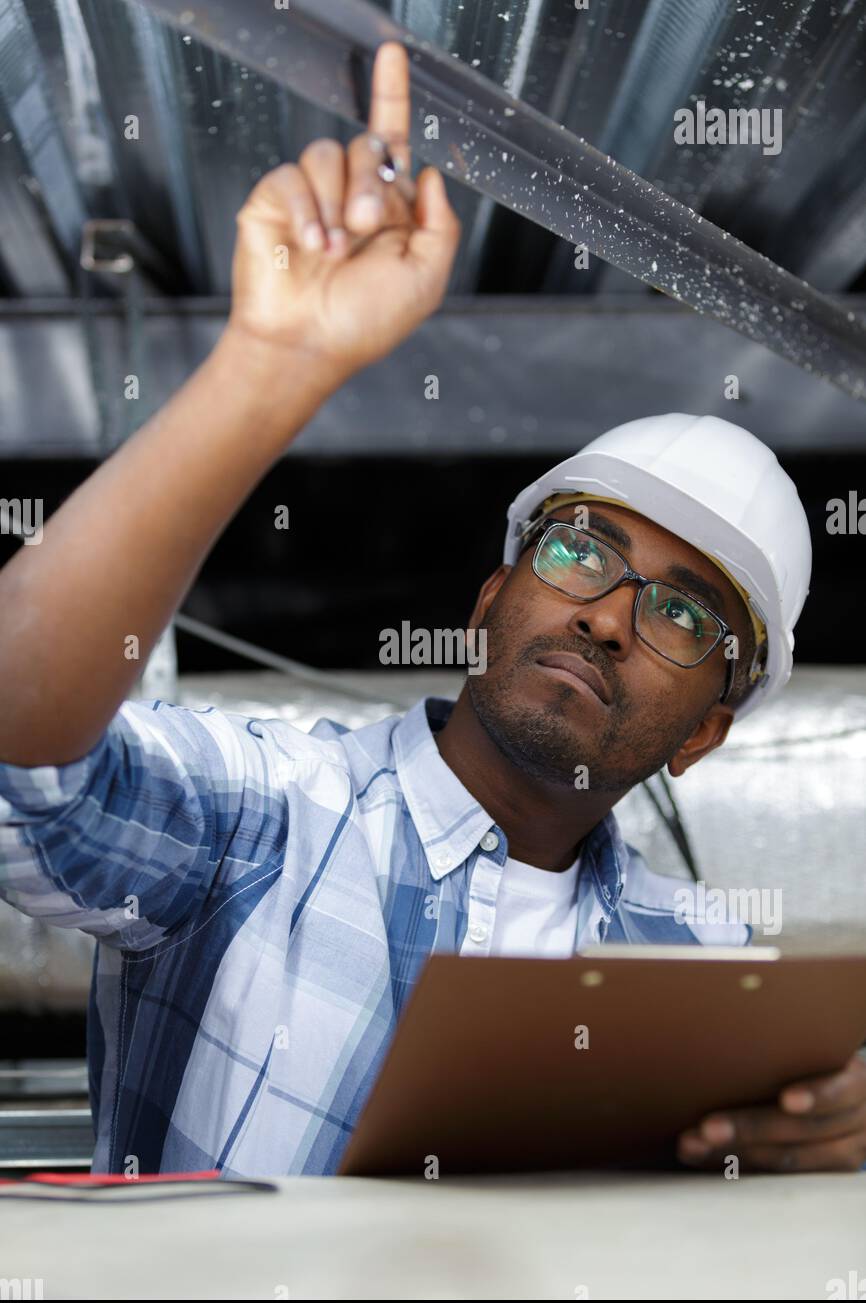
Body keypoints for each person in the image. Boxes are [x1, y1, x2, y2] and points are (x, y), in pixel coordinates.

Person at [0, 43, 863, 1179]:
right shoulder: (266, 819)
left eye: (684, 617)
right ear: (492, 599)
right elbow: (24, 761)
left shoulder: (704, 975)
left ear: (705, 731)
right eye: (581, 550)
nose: (607, 619)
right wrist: (266, 362)